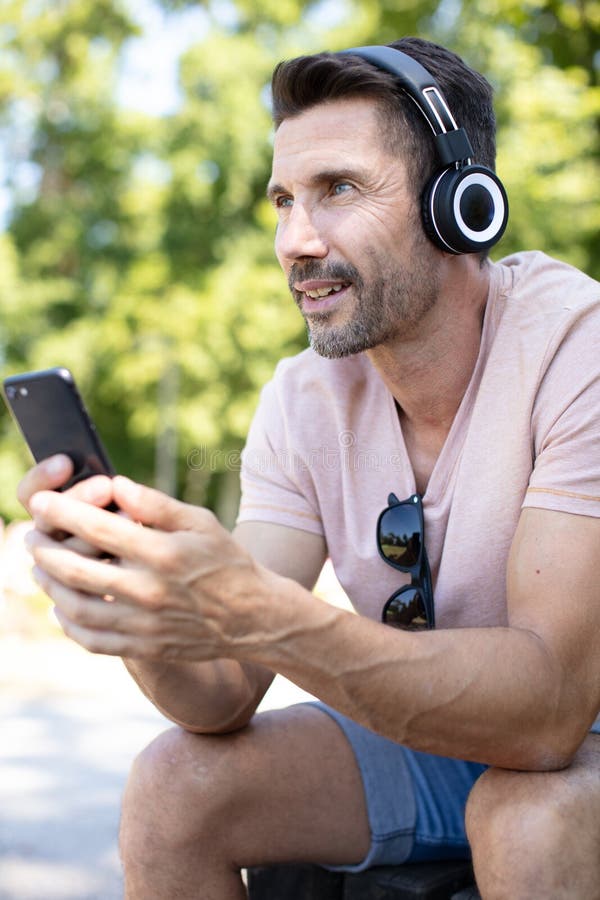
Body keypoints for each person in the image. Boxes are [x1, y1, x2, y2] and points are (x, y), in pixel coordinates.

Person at [18, 36, 600, 900]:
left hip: (578, 739)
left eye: (338, 191)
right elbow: (220, 694)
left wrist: (270, 616)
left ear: (460, 203)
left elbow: (550, 715)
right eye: (283, 200)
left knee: (525, 816)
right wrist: (142, 606)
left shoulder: (576, 347)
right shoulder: (303, 398)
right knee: (174, 787)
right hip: (452, 747)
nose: (296, 240)